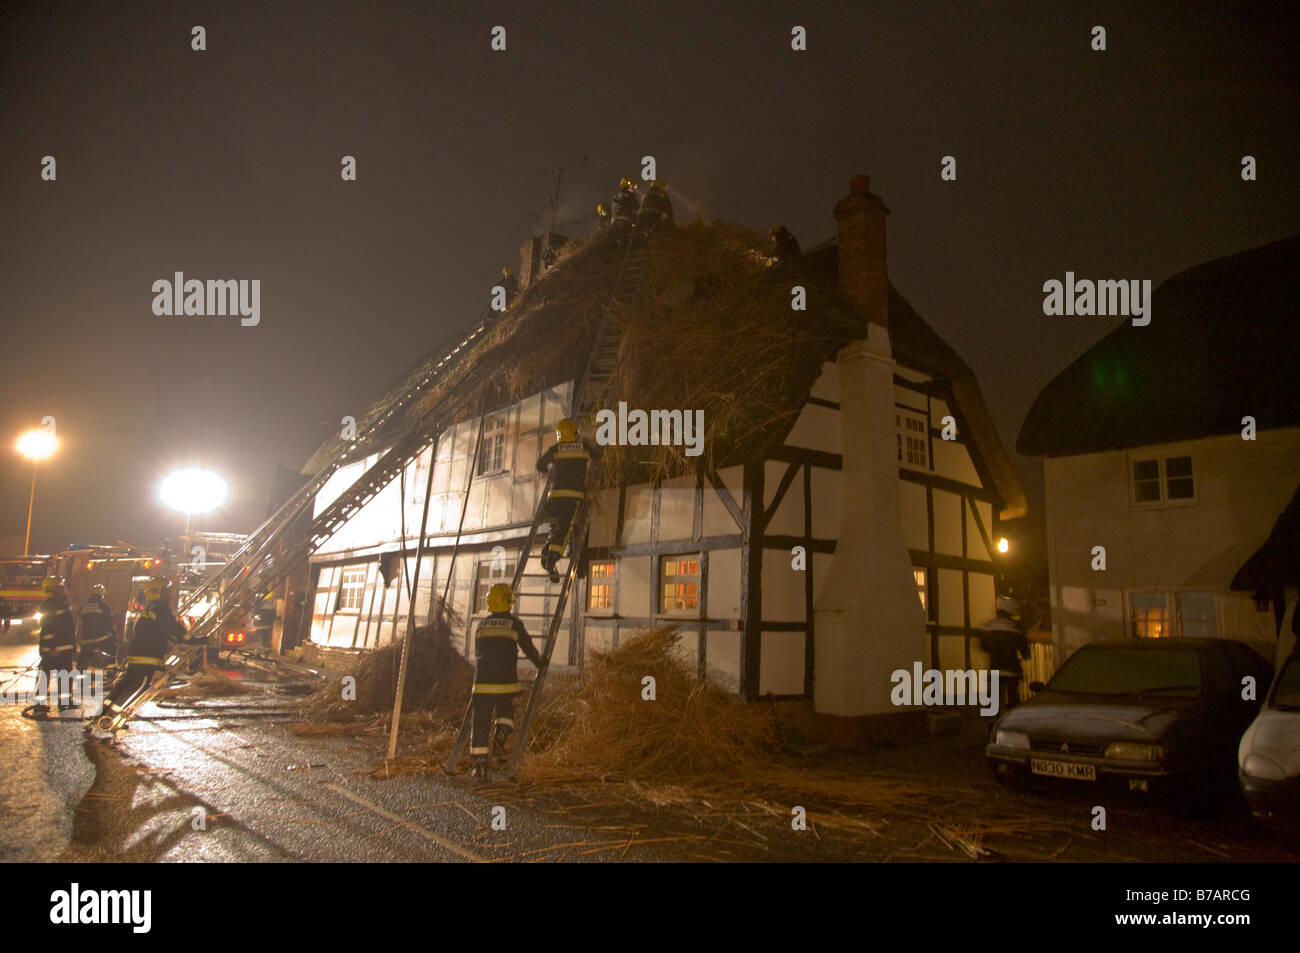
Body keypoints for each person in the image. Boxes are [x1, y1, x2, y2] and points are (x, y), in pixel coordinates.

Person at [90, 577, 193, 740]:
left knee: (125, 683)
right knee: (139, 687)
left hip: (137, 654)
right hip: (148, 657)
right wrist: (192, 639)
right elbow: (172, 629)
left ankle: (102, 712)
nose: (170, 592)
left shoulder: (150, 607)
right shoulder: (162, 608)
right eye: (167, 589)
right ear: (159, 592)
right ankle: (111, 717)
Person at [469, 584, 542, 779]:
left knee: (480, 722)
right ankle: (500, 738)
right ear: (509, 602)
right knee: (506, 712)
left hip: (482, 683)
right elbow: (527, 647)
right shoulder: (515, 624)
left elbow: (478, 653)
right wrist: (540, 664)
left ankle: (479, 764)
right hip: (505, 682)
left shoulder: (482, 625)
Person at [534, 417, 600, 583]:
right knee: (566, 528)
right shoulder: (583, 448)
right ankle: (552, 558)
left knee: (557, 527)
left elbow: (540, 464)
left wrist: (549, 471)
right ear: (575, 433)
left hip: (554, 498)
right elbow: (597, 456)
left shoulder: (556, 449)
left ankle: (548, 551)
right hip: (573, 496)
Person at [979, 596, 1030, 711]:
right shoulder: (1016, 627)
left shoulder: (989, 626)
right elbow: (1024, 650)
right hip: (1012, 670)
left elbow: (983, 646)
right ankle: (1013, 720)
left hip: (995, 669)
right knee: (1013, 699)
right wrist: (1025, 654)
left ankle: (991, 725)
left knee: (992, 701)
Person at [34, 578, 77, 713]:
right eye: (60, 587)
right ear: (54, 590)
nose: (64, 589)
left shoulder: (59, 604)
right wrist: (54, 647)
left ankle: (61, 702)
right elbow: (52, 629)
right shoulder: (53, 605)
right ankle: (44, 703)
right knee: (49, 674)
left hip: (59, 647)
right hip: (56, 648)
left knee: (60, 674)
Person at [76, 584, 118, 671]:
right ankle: (109, 671)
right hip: (101, 638)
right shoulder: (105, 607)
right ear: (101, 595)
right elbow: (110, 623)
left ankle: (79, 671)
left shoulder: (83, 607)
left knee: (84, 655)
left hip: (85, 639)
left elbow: (79, 624)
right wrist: (114, 635)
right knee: (113, 649)